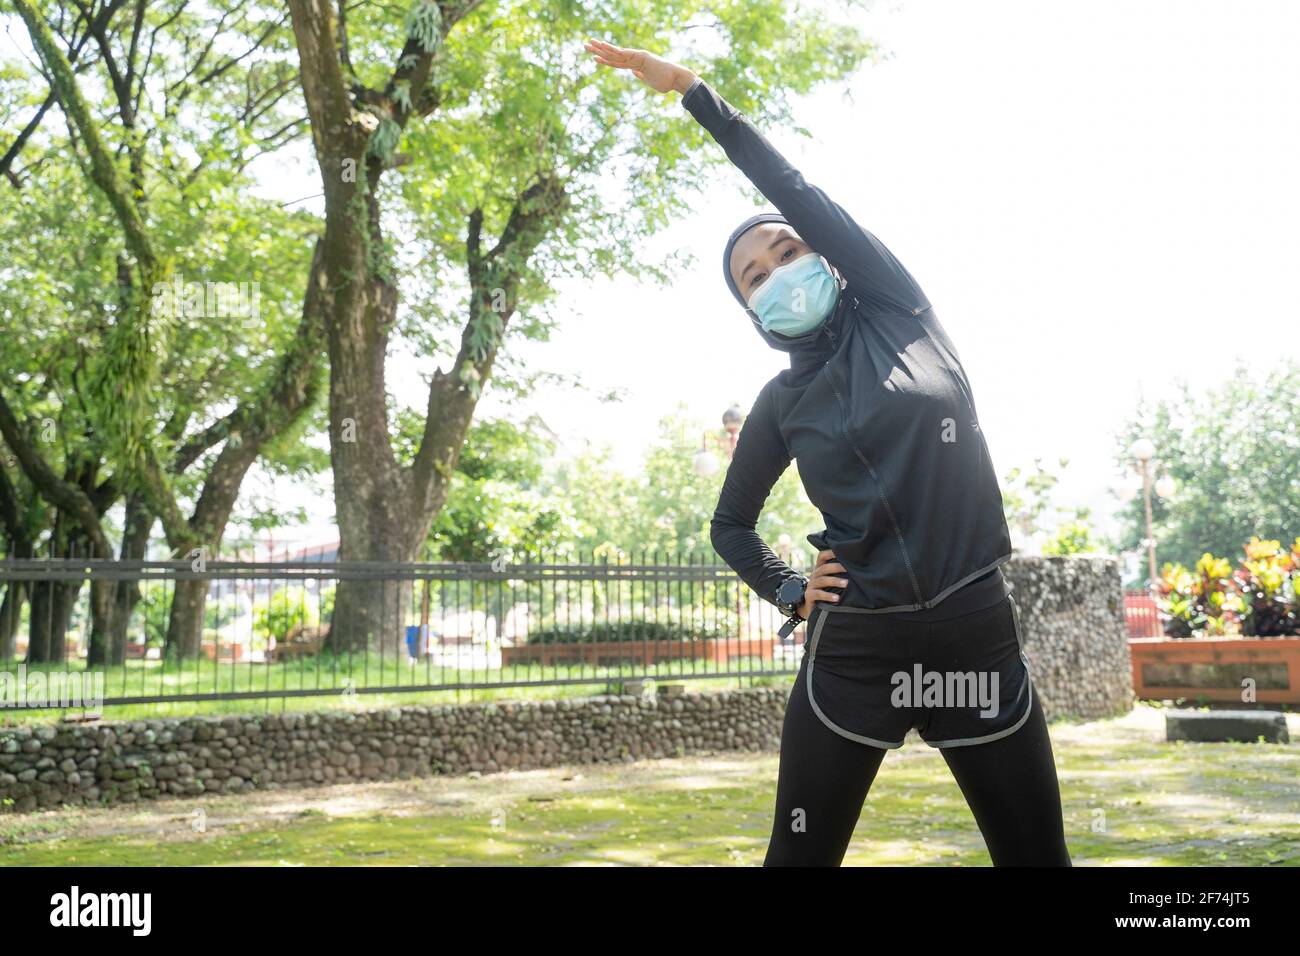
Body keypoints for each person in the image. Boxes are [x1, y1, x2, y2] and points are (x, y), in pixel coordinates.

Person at [585, 39, 1072, 867]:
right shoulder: (781, 404)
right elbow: (730, 525)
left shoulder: (897, 307)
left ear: (824, 258)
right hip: (855, 653)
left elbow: (795, 192)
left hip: (973, 635)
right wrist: (789, 588)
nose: (776, 272)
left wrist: (696, 93)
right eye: (752, 277)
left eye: (787, 253)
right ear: (749, 311)